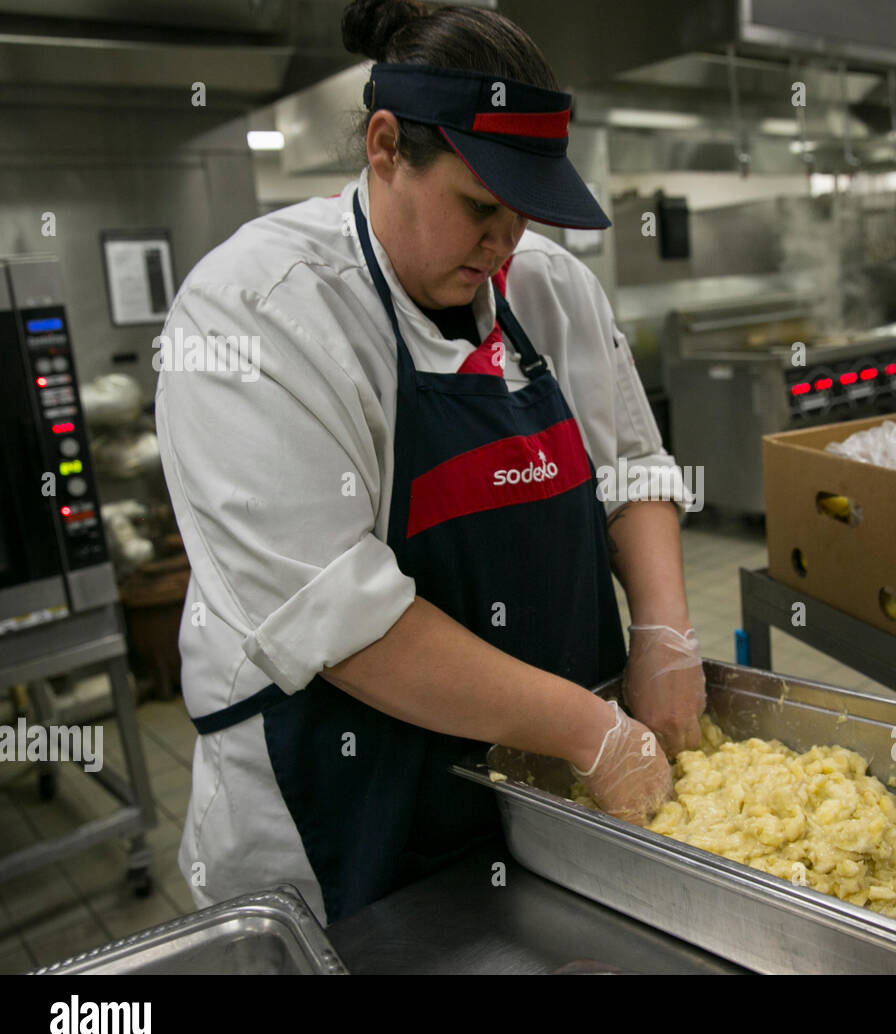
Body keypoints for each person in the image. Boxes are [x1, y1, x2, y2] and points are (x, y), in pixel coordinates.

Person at [154, 0, 706, 926]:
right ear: (383, 147)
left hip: (541, 787)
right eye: (479, 206)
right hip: (349, 800)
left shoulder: (550, 290)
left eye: (523, 215)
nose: (505, 245)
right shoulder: (255, 314)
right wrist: (593, 731)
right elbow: (343, 617)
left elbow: (635, 468)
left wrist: (663, 629)